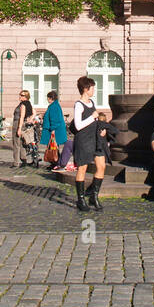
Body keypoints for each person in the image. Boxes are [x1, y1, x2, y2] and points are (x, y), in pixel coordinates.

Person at [70, 77, 100, 212]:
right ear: (85, 89)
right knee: (82, 169)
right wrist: (92, 117)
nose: (94, 90)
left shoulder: (91, 102)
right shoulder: (79, 104)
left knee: (101, 166)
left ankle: (93, 195)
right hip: (83, 140)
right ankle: (81, 199)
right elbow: (78, 125)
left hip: (94, 139)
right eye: (92, 88)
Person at [90, 110, 116, 212]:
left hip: (100, 147)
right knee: (100, 168)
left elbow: (112, 133)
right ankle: (93, 196)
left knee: (102, 168)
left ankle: (93, 194)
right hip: (94, 145)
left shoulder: (104, 127)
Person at [40, 91, 68, 169]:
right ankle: (54, 163)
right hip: (55, 130)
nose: (47, 99)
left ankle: (55, 163)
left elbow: (55, 119)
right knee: (53, 147)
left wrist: (53, 130)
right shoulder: (54, 105)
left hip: (55, 131)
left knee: (53, 148)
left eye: (48, 98)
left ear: (51, 98)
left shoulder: (53, 106)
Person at [11, 90, 35, 169]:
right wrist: (29, 119)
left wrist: (19, 128)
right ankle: (23, 160)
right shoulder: (29, 104)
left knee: (16, 143)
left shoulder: (23, 105)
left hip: (18, 124)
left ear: (26, 97)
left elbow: (21, 117)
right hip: (24, 124)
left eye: (22, 95)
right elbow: (34, 112)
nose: (20, 96)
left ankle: (16, 162)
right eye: (20, 95)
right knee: (22, 143)